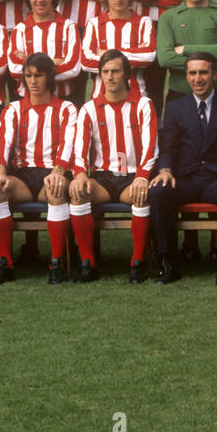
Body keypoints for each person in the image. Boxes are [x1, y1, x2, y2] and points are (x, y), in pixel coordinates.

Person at [148, 52, 217, 286]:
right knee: (158, 192)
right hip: (185, 178)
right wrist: (165, 170)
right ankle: (169, 262)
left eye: (203, 72)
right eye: (192, 73)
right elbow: (168, 148)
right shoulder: (175, 108)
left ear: (214, 74)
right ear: (186, 77)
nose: (198, 78)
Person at [0, 53, 78, 285]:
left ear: (50, 77)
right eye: (28, 76)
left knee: (57, 190)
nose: (33, 81)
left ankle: (56, 260)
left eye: (39, 75)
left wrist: (58, 171)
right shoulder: (13, 109)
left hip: (53, 171)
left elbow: (69, 144)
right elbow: (2, 144)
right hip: (24, 177)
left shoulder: (67, 108)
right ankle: (4, 262)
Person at [68, 50, 158, 283]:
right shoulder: (89, 109)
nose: (110, 77)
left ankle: (137, 261)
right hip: (103, 178)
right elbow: (79, 150)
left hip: (133, 175)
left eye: (115, 71)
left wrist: (142, 176)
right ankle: (88, 262)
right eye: (105, 72)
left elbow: (151, 147)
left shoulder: (143, 105)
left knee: (141, 195)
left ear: (126, 74)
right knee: (78, 194)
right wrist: (79, 175)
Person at [79, 0, 157, 99]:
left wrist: (108, 53)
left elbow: (148, 56)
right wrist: (132, 57)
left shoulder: (145, 22)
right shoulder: (94, 24)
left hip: (137, 97)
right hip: (100, 98)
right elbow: (86, 62)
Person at [8, 0, 80, 100]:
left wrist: (28, 62)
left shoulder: (68, 27)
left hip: (63, 99)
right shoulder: (19, 30)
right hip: (28, 101)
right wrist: (52, 63)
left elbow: (73, 69)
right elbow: (14, 69)